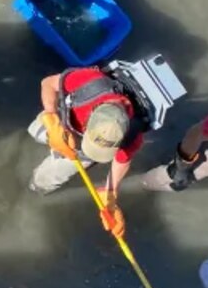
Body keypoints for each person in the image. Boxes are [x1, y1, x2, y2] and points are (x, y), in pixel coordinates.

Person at [29, 66, 152, 238]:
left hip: (79, 153)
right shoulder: (89, 81)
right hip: (63, 125)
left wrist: (110, 192)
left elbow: (121, 161)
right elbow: (47, 84)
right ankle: (48, 137)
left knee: (43, 180)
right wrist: (52, 118)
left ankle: (35, 188)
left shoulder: (132, 134)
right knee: (35, 130)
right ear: (92, 114)